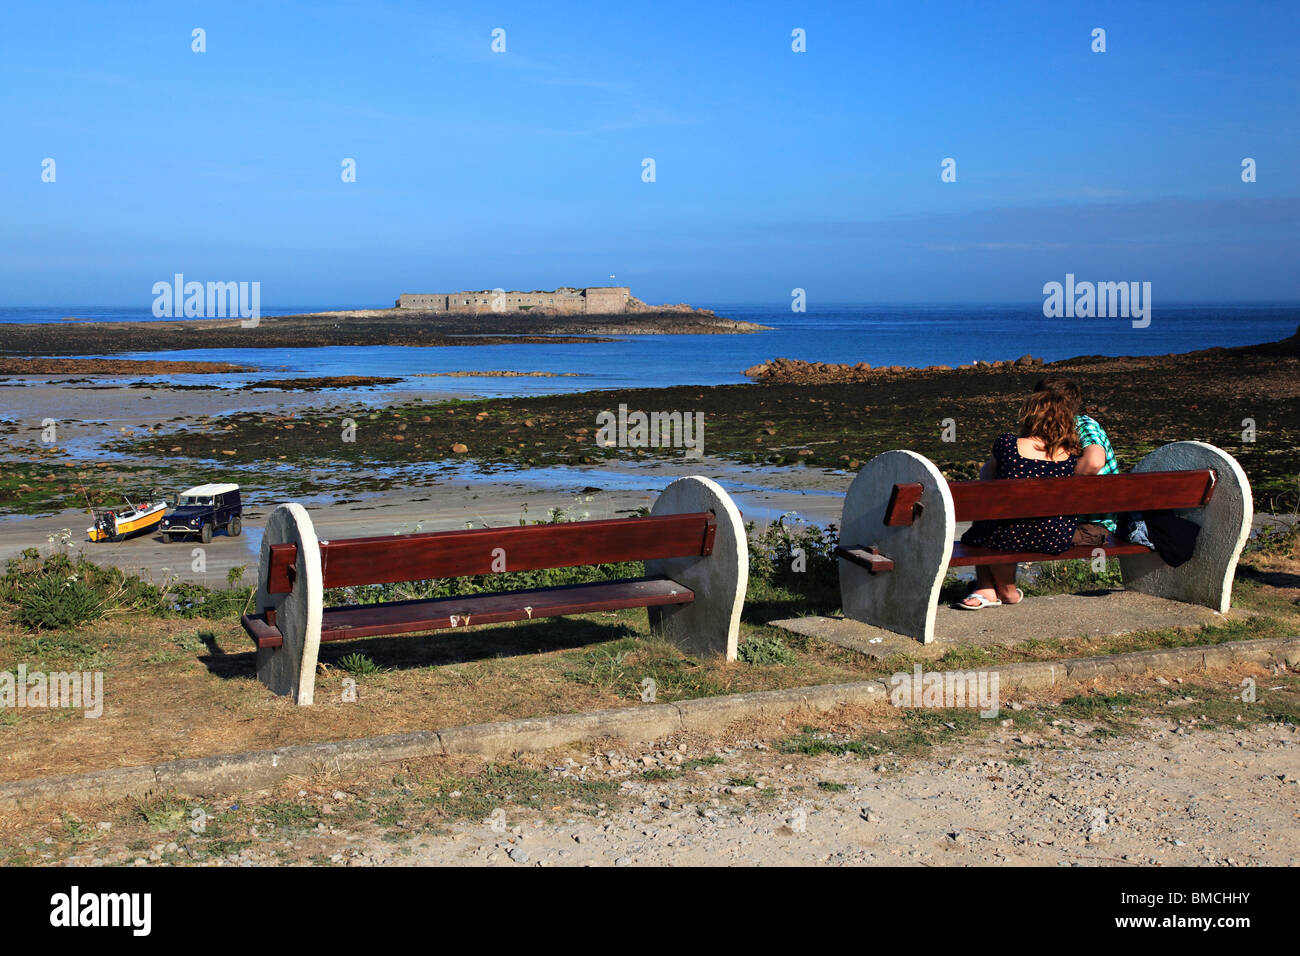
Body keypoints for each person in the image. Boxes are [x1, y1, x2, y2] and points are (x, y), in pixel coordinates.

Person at [957, 389, 1081, 609]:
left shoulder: (1008, 444)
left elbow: (986, 480)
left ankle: (1006, 591)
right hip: (1055, 536)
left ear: (1030, 416)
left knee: (987, 524)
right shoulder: (1072, 455)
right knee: (994, 524)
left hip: (1009, 534)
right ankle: (988, 590)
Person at [1033, 375, 1118, 546]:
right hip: (1073, 522)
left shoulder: (1082, 424)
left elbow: (1094, 461)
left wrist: (1057, 474)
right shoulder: (1051, 432)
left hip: (1094, 527)